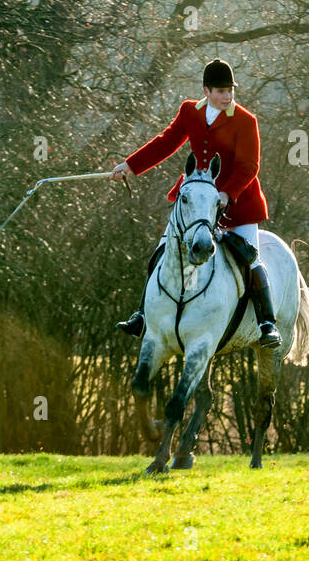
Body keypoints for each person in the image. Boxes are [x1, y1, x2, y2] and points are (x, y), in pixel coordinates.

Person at [110, 59, 281, 348]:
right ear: (206, 90)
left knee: (251, 259)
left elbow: (249, 166)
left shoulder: (245, 120)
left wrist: (227, 193)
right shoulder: (190, 111)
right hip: (195, 203)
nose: (228, 96)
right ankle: (142, 315)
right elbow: (166, 142)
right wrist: (130, 165)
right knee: (164, 249)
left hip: (237, 204)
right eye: (221, 91)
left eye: (230, 90)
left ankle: (267, 324)